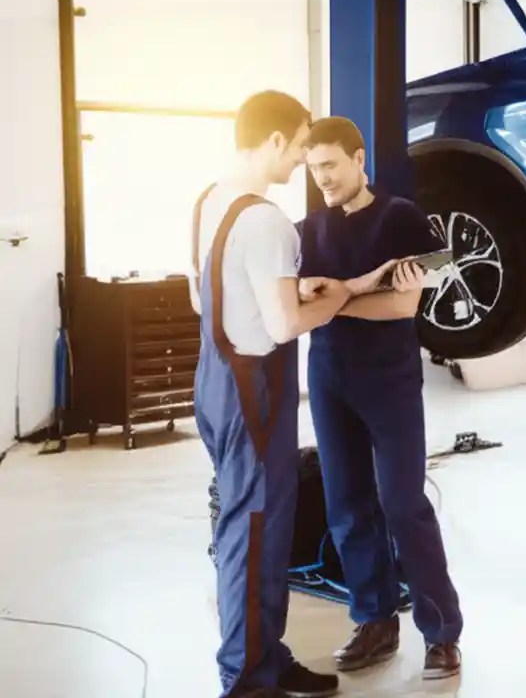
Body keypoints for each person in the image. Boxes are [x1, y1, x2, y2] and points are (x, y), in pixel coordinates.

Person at [190, 92, 390, 698]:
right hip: (256, 387)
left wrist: (287, 293)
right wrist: (345, 292)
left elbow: (206, 297)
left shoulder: (209, 200)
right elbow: (281, 328)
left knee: (251, 526)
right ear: (277, 141)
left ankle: (266, 656)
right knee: (254, 533)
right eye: (303, 144)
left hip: (216, 378)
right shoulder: (269, 219)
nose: (306, 158)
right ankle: (247, 678)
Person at [296, 116, 464, 681]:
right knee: (346, 503)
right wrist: (357, 289)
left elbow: (402, 307)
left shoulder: (400, 218)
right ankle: (374, 621)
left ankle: (441, 633)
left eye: (330, 166)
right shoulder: (307, 230)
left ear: (358, 158)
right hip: (328, 376)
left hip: (388, 379)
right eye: (313, 168)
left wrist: (334, 297)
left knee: (402, 503)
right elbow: (298, 303)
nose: (322, 178)